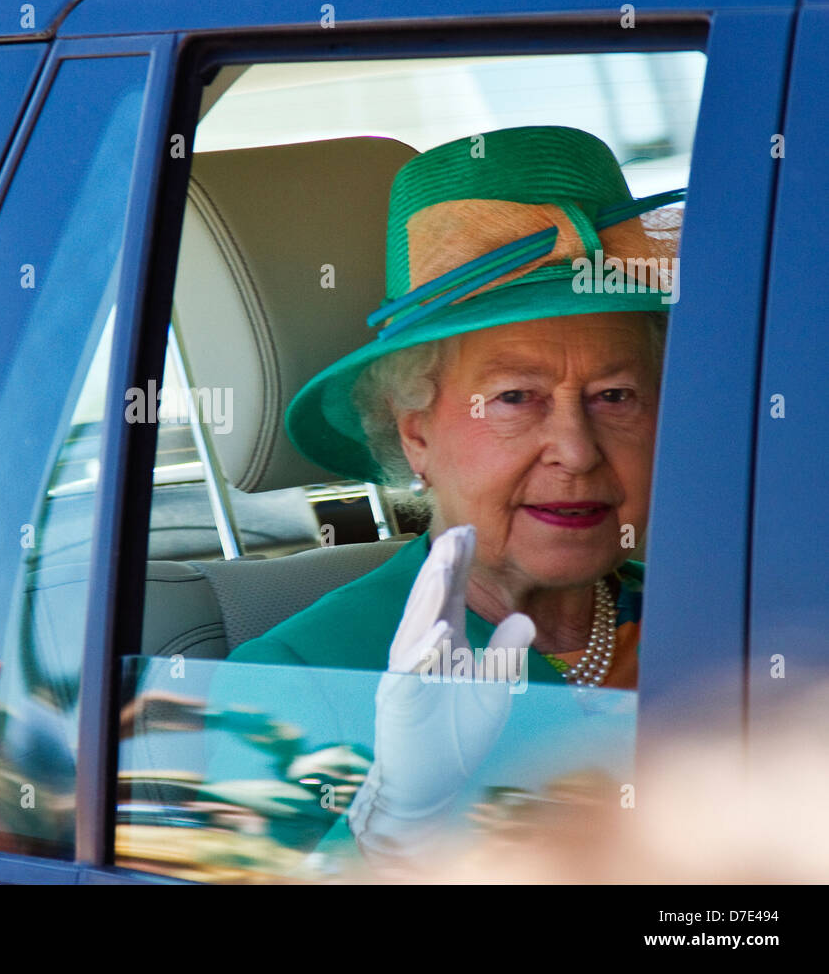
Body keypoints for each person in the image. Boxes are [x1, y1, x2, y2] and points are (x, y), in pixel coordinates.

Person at [222, 125, 682, 861]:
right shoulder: (286, 681)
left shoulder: (733, 622)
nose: (575, 449)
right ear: (416, 437)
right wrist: (394, 829)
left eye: (616, 394)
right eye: (515, 397)